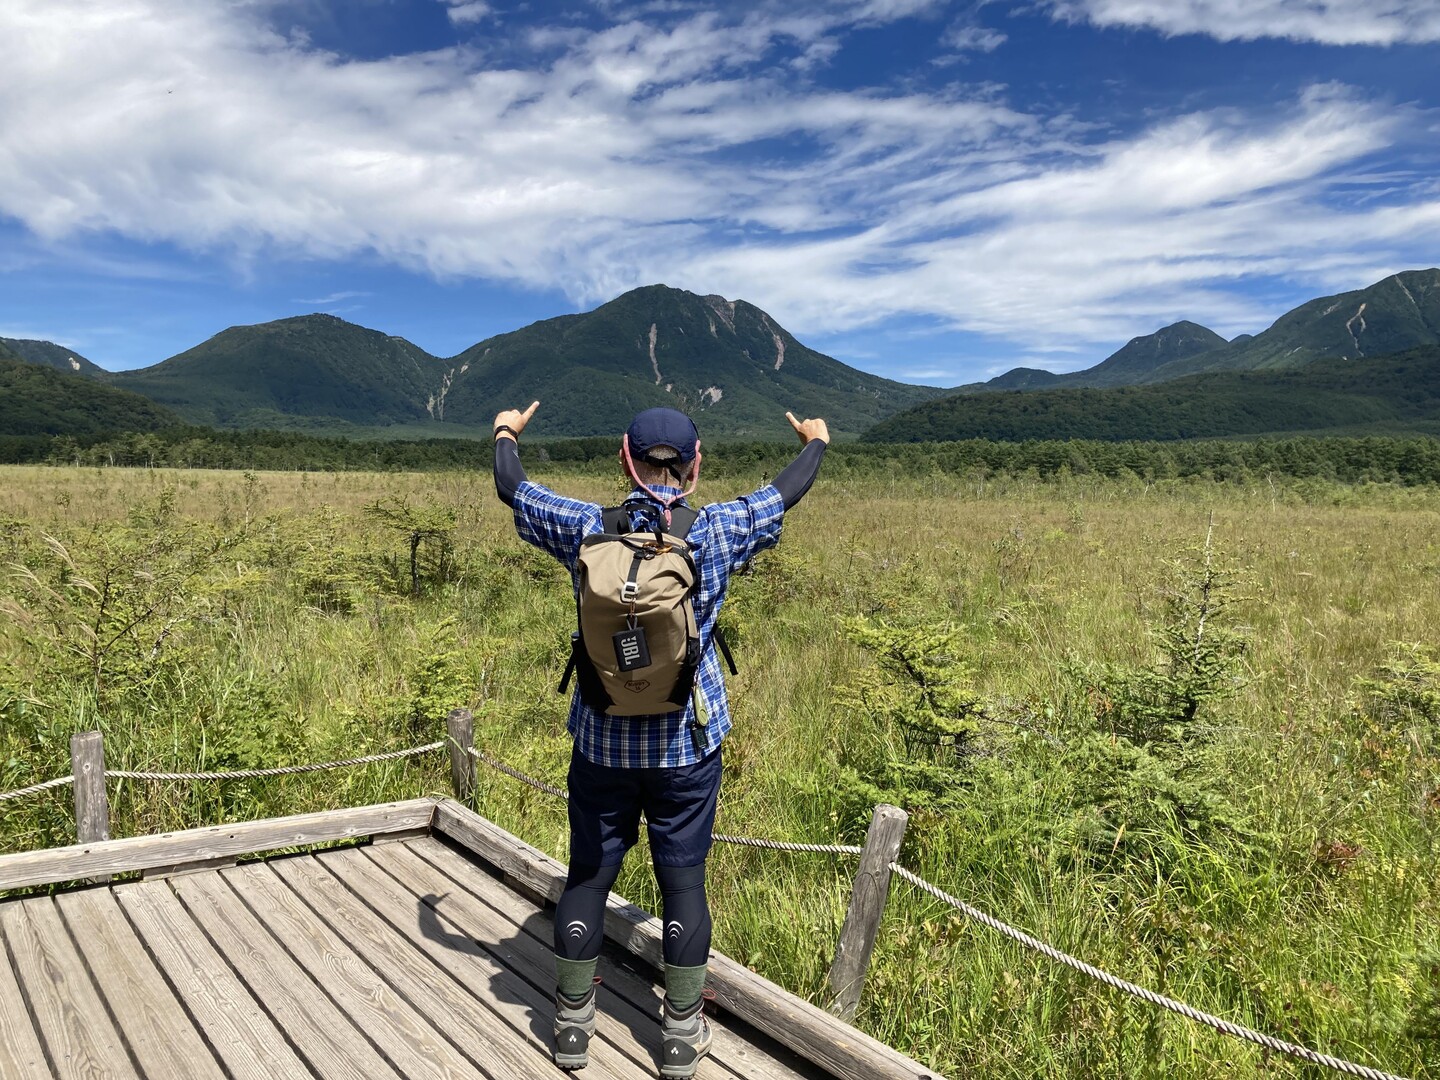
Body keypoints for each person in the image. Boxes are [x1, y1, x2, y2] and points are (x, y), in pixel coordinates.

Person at [492, 401, 828, 1077]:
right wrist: (816, 442)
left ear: (625, 458)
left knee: (588, 877)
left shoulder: (585, 526)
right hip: (686, 745)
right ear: (696, 467)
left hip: (600, 742)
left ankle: (571, 1030)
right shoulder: (720, 527)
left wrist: (505, 431)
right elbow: (788, 490)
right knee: (683, 887)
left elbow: (512, 486)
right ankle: (678, 1038)